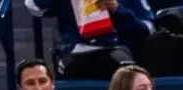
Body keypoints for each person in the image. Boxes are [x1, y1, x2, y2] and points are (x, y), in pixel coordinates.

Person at [25, 0, 153, 81]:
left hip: (117, 52)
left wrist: (117, 9)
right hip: (75, 54)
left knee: (123, 73)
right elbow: (35, 7)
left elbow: (147, 29)